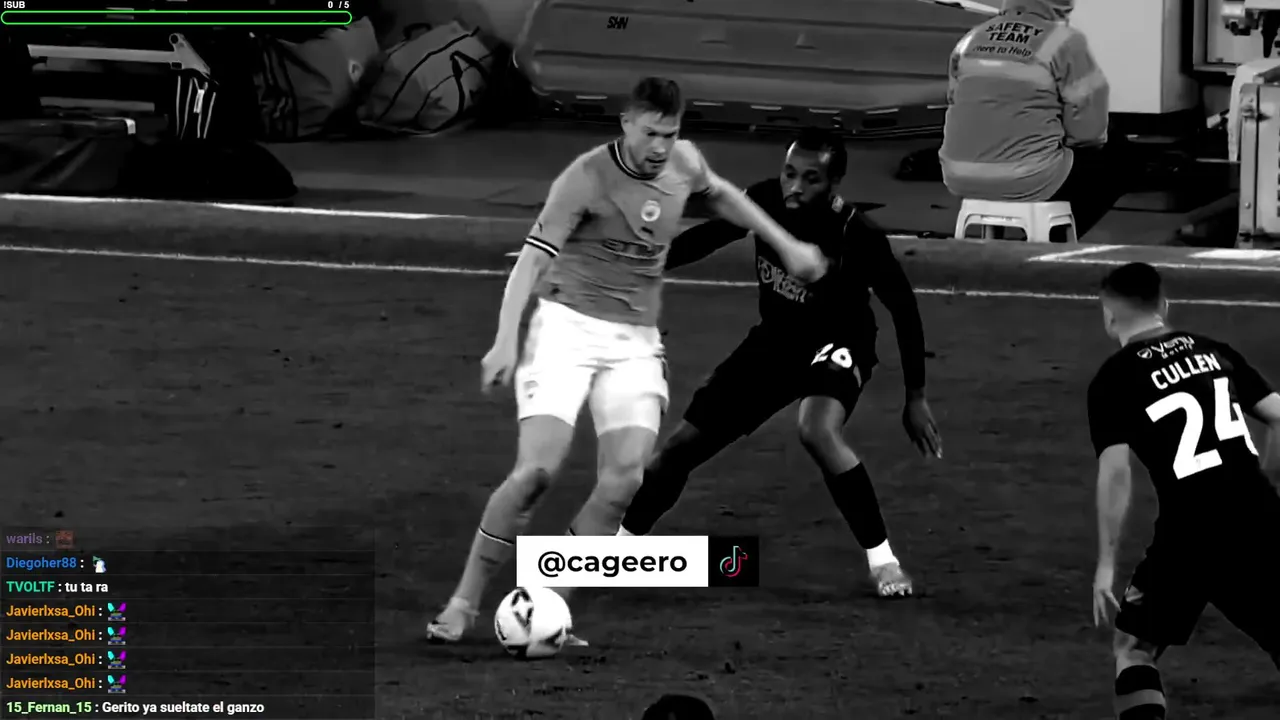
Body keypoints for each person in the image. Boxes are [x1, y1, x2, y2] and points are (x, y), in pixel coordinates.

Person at [426, 77, 828, 642]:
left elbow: (720, 194)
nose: (661, 146)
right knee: (535, 473)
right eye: (651, 133)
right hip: (565, 330)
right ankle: (463, 603)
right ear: (626, 124)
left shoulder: (683, 161)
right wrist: (504, 340)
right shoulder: (586, 178)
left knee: (624, 481)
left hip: (634, 341)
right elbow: (531, 262)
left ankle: (546, 610)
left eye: (671, 133)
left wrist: (786, 245)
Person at [618, 129, 943, 598]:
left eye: (811, 179)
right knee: (680, 448)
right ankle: (619, 550)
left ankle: (883, 561)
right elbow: (710, 236)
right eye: (790, 173)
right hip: (775, 342)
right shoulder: (766, 200)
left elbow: (904, 308)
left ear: (834, 183)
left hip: (839, 341)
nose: (795, 186)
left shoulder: (856, 234)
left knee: (817, 429)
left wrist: (915, 396)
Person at [1087, 262, 1280, 719]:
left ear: (1109, 316)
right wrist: (1265, 482)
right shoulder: (1214, 351)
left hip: (1190, 533)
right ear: (1164, 305)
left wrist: (1106, 564)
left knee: (1134, 647)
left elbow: (1116, 474)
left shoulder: (1113, 378)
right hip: (1260, 516)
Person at [940, 0, 1127, 239]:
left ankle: (998, 240)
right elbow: (1088, 131)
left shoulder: (971, 38)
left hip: (959, 175)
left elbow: (956, 100)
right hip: (1031, 178)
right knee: (1122, 157)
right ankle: (1054, 239)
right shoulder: (1064, 41)